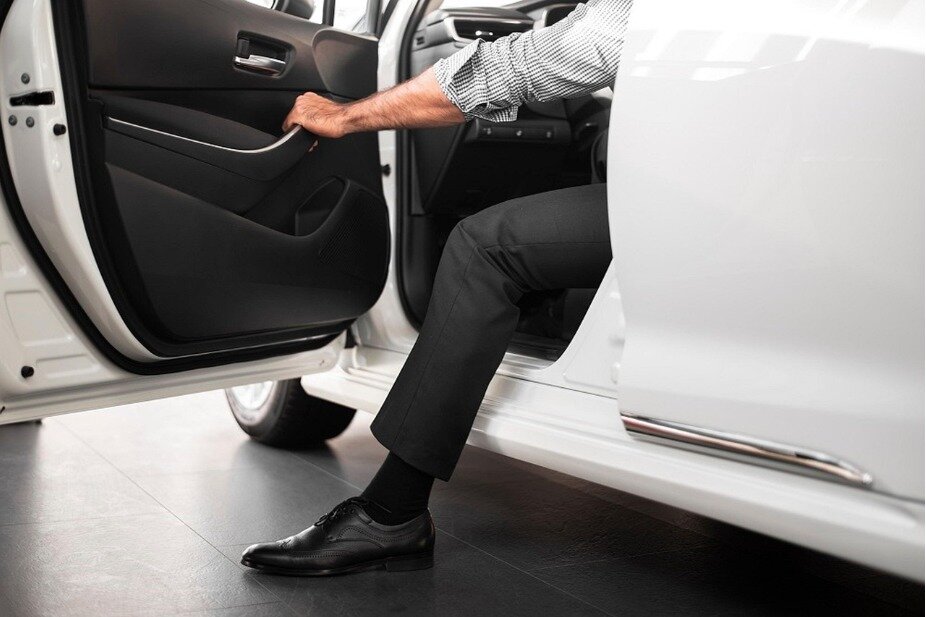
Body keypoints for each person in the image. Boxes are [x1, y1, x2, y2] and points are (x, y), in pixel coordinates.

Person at [241, 0, 632, 576]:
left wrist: (346, 116)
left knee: (484, 248)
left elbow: (524, 64)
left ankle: (390, 514)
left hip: (700, 210)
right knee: (595, 149)